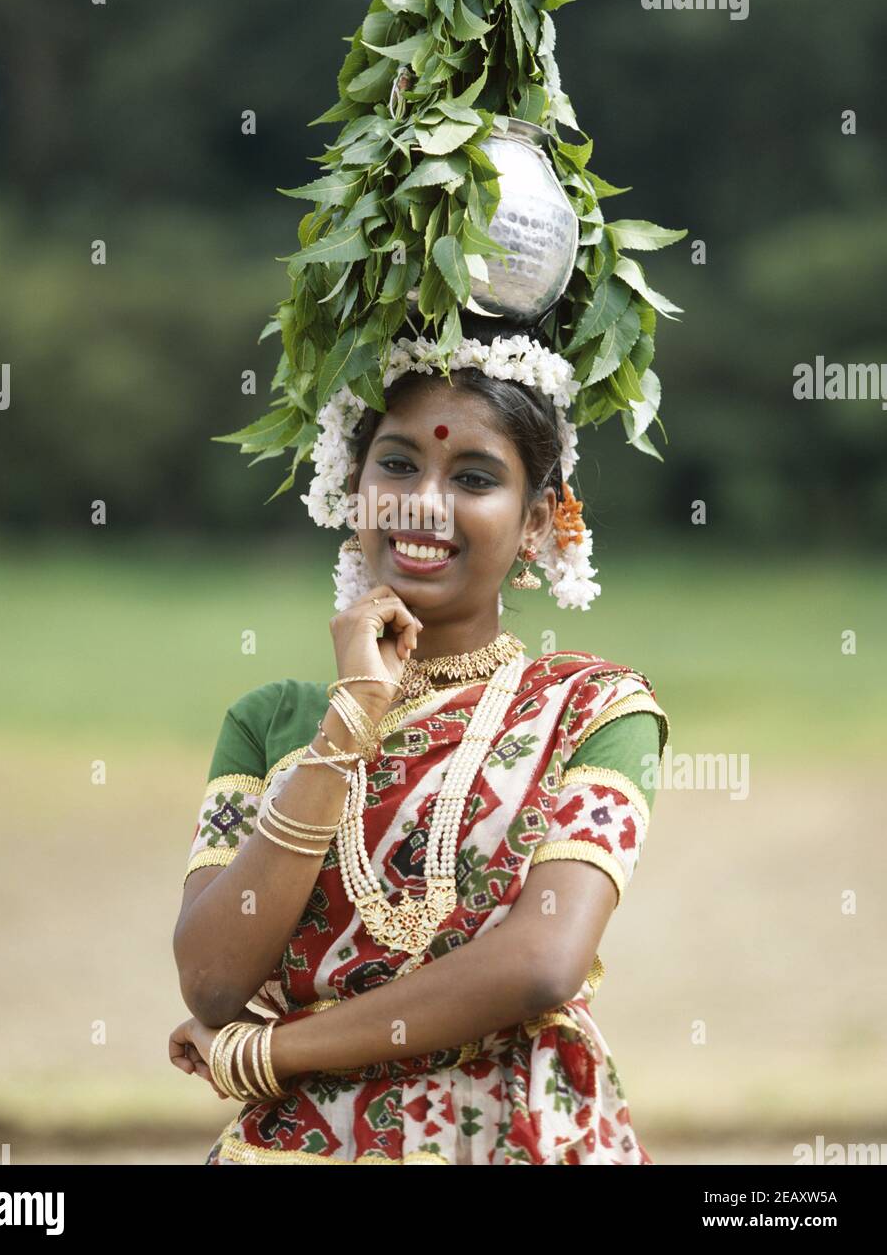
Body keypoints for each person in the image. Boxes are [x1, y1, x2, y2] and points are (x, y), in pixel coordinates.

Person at [169, 319, 669, 1165]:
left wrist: (272, 1052)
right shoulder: (273, 723)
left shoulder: (596, 709)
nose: (423, 503)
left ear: (539, 522)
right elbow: (214, 978)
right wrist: (351, 718)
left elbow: (542, 963)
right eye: (397, 464)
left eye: (473, 477)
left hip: (510, 1134)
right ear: (353, 485)